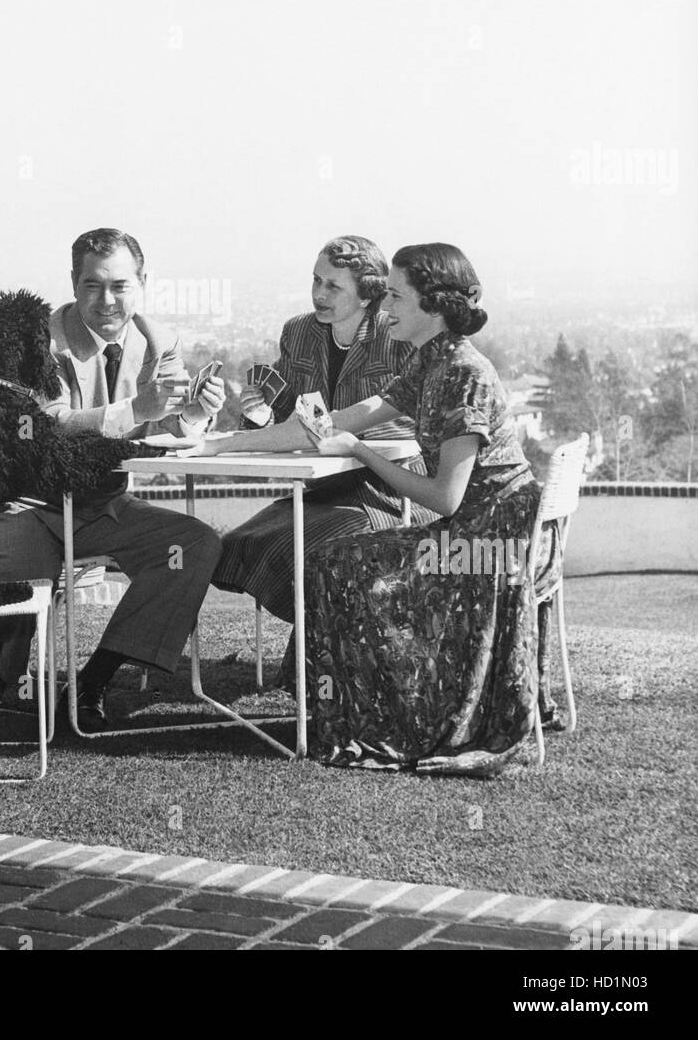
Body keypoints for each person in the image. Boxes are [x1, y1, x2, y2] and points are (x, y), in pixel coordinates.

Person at [199, 243, 546, 777]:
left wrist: (358, 451)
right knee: (334, 562)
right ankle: (357, 711)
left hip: (486, 543)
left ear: (432, 306)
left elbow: (443, 498)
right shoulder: (433, 357)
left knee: (339, 565)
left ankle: (384, 716)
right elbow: (350, 417)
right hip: (470, 528)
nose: (386, 309)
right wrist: (226, 443)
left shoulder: (463, 374)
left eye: (396, 297)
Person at [0, 228, 224, 731]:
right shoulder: (37, 341)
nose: (106, 300)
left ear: (143, 282)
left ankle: (95, 677)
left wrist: (193, 413)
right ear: (73, 283)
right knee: (24, 590)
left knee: (194, 545)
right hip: (27, 504)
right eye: (92, 286)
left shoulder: (159, 340)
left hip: (104, 506)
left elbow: (169, 426)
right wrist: (135, 409)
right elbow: (47, 425)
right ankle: (3, 663)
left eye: (120, 286)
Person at [210, 236, 434, 678]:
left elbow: (412, 424)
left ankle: (320, 674)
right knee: (249, 541)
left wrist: (344, 437)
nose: (318, 294)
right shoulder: (299, 332)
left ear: (368, 291)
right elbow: (287, 413)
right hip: (324, 488)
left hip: (392, 490)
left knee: (322, 550)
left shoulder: (397, 336)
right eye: (315, 281)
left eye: (333, 286)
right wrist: (257, 411)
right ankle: (315, 671)